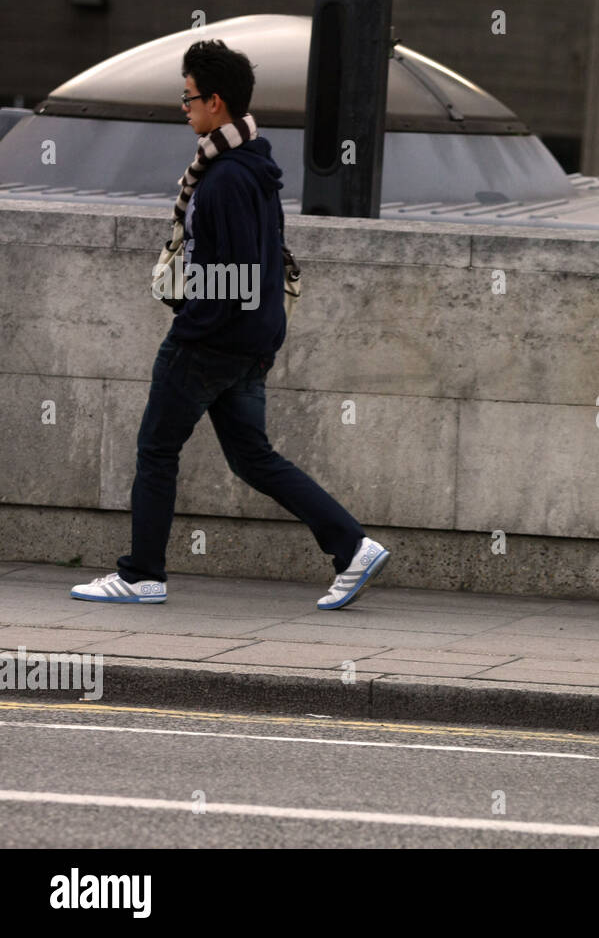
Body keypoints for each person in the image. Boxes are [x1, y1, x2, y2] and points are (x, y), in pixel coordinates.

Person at [71, 39, 389, 609]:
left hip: (210, 343)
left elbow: (239, 274)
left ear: (215, 102)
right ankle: (352, 546)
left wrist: (193, 321)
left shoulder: (226, 179)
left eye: (188, 96)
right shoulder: (250, 167)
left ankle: (143, 574)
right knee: (253, 458)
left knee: (155, 450)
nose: (183, 106)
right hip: (247, 342)